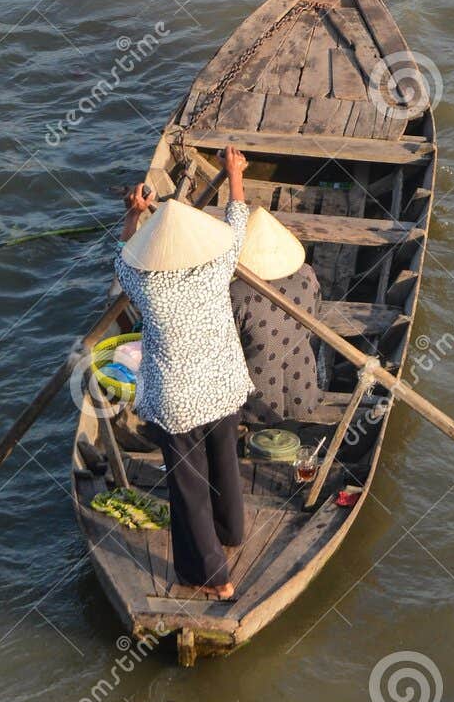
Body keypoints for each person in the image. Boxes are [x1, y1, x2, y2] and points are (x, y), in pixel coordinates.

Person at [114, 147, 251, 601]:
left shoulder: (147, 282)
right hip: (224, 385)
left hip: (179, 400)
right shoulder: (217, 265)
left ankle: (215, 578)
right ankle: (232, 531)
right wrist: (235, 174)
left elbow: (123, 256)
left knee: (189, 487)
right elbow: (237, 221)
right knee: (223, 461)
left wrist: (132, 216)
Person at [230, 206, 322, 428]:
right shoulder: (307, 274)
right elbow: (316, 314)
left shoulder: (238, 293)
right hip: (304, 388)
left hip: (253, 404)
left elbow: (227, 347)